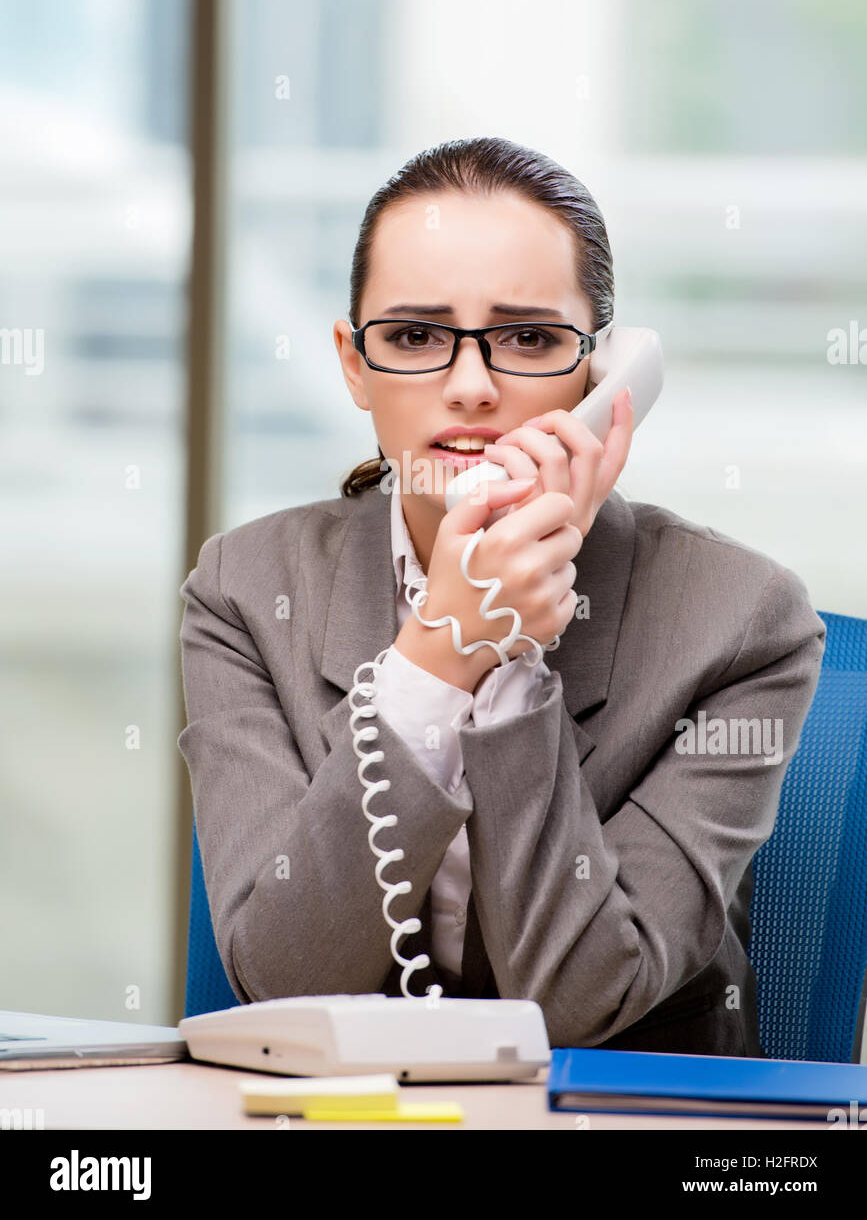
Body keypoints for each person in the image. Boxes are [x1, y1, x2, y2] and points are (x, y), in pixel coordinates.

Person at [178, 136, 825, 1054]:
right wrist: (441, 655)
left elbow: (583, 1001)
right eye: (414, 336)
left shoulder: (742, 621)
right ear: (354, 363)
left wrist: (512, 659)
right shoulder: (244, 592)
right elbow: (283, 979)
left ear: (606, 371)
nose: (471, 387)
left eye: (527, 338)